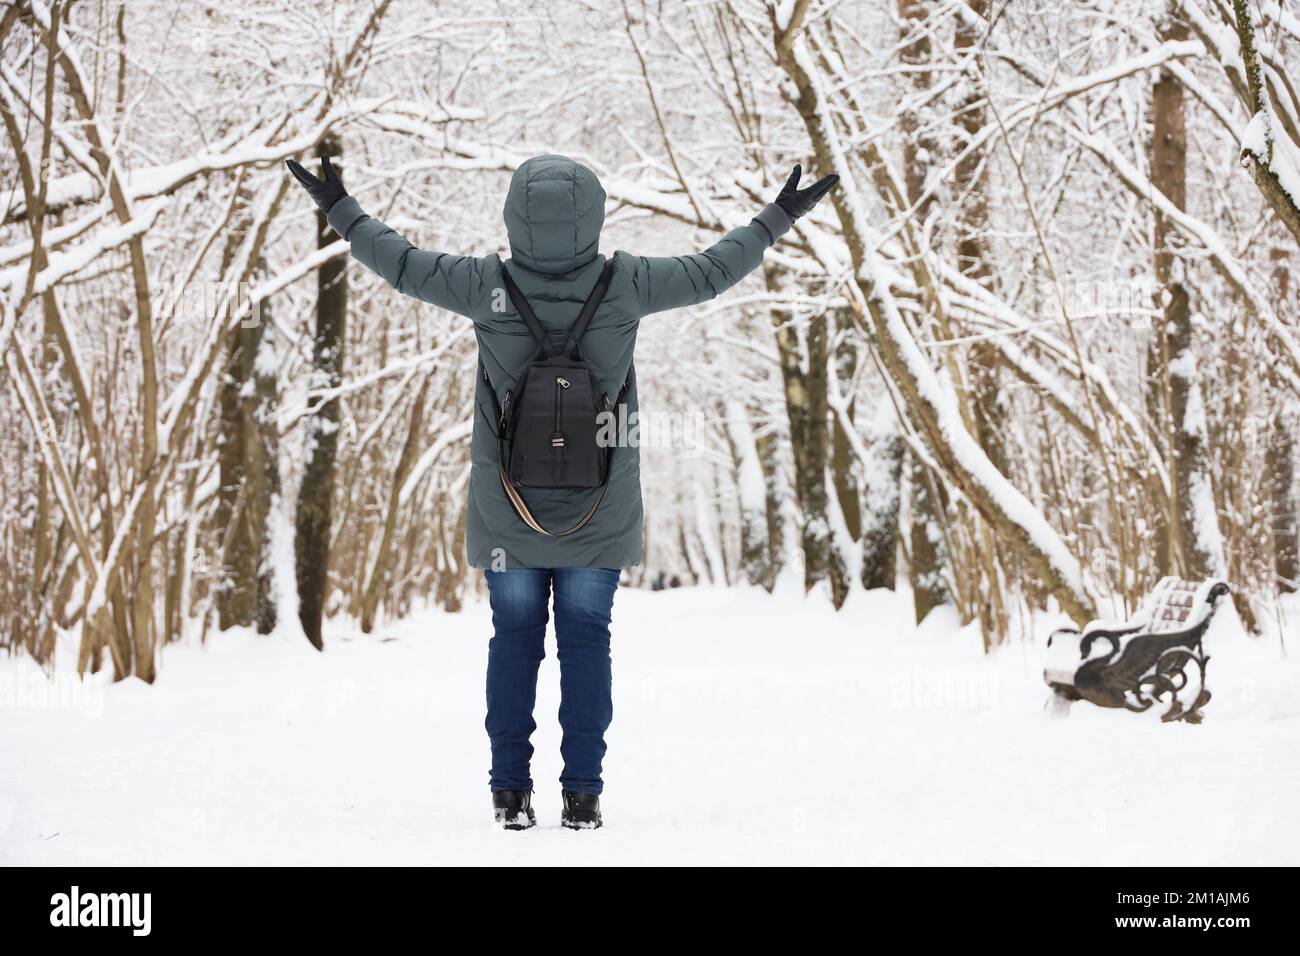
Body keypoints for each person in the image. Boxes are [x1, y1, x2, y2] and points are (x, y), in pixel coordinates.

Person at [287, 152, 837, 830]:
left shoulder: (482, 285)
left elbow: (397, 262)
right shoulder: (627, 285)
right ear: (595, 216)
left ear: (514, 215)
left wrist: (338, 205)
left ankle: (509, 793)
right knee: (586, 641)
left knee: (513, 640)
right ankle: (582, 795)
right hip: (598, 513)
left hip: (506, 513)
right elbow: (714, 272)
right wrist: (780, 215)